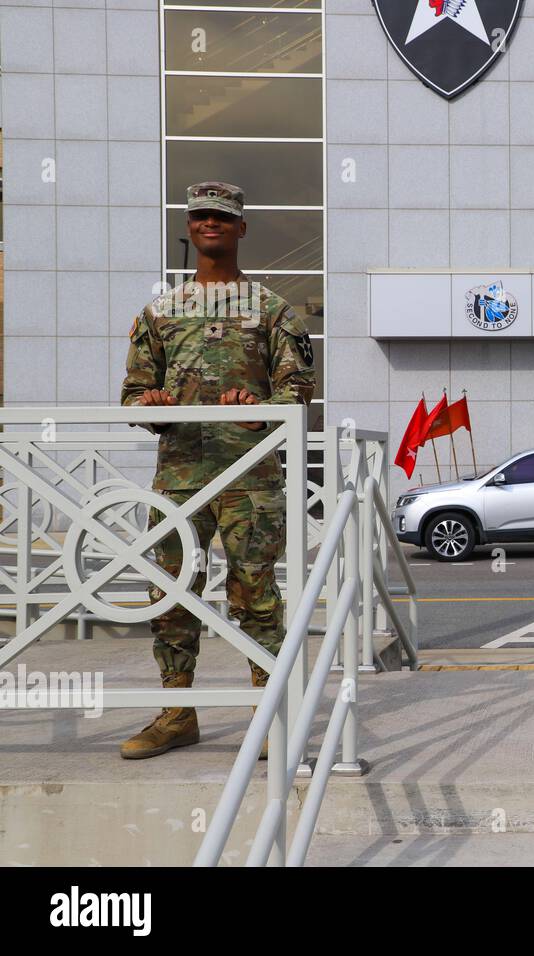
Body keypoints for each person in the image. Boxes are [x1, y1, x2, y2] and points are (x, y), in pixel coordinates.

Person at [119, 182, 316, 759]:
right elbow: (132, 394)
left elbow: (299, 393)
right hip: (180, 477)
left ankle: (270, 715)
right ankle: (177, 713)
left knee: (254, 595)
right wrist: (150, 408)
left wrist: (262, 418)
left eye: (223, 218)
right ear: (190, 226)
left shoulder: (273, 309)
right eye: (202, 216)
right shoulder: (161, 311)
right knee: (172, 595)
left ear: (240, 229)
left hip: (250, 480)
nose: (212, 224)